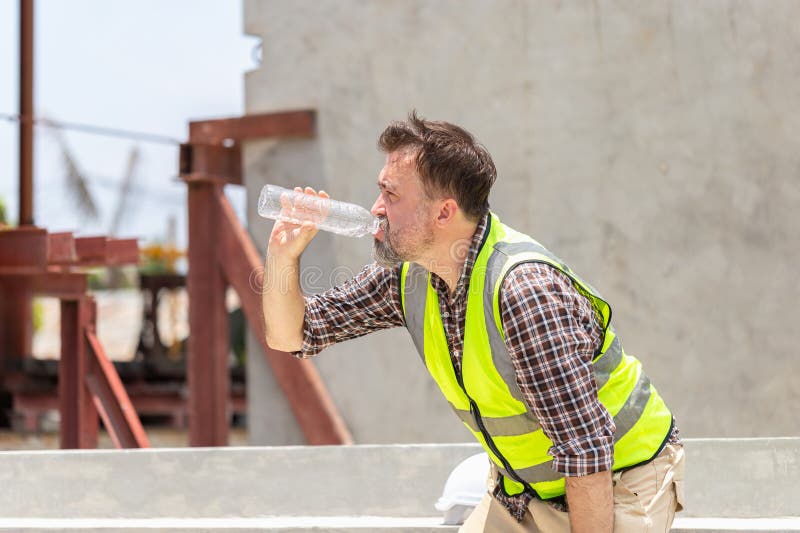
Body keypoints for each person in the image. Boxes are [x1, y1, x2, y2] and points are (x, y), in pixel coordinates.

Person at [262, 112, 685, 533]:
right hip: (525, 490)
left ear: (444, 213)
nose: (375, 209)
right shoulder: (408, 274)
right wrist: (283, 256)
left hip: (620, 481)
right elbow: (294, 334)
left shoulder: (523, 294)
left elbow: (586, 450)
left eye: (391, 195)